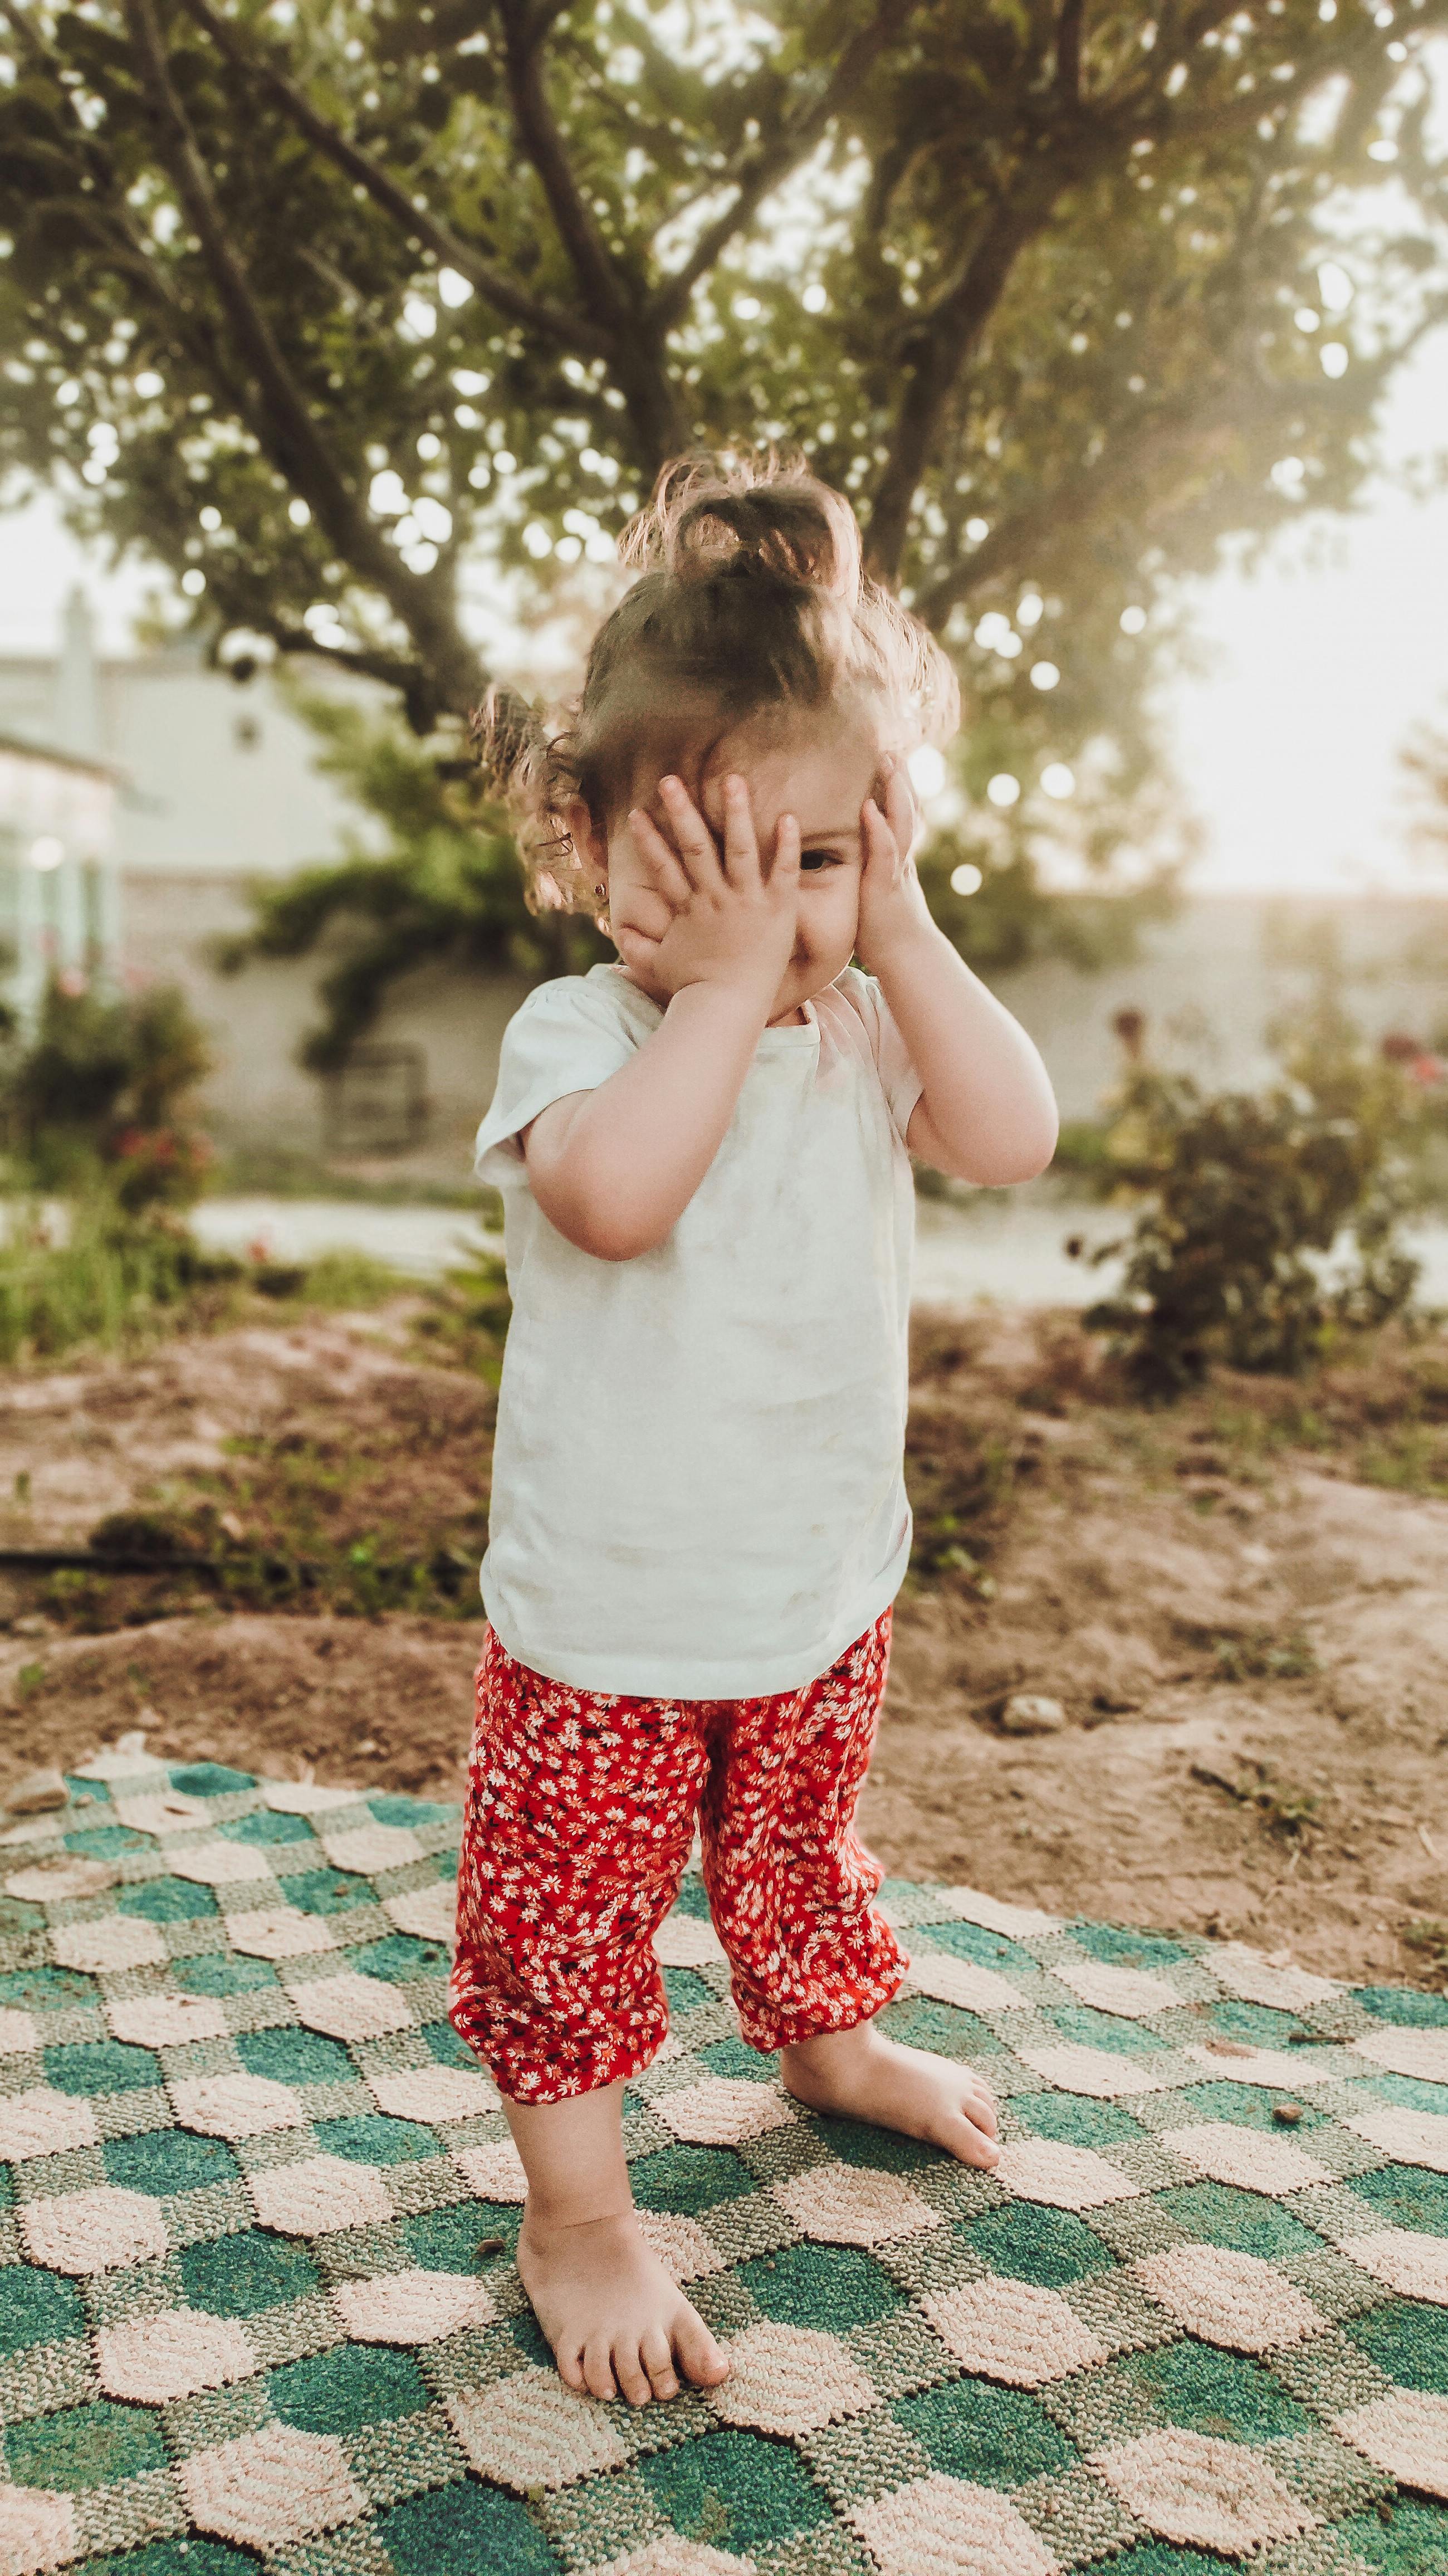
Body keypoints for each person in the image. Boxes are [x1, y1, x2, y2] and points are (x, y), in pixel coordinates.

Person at [449, 447, 1059, 2414]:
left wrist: (902, 929)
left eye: (815, 863)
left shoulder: (871, 1019)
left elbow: (1015, 1138)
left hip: (813, 1582)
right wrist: (724, 983)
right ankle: (581, 2216)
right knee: (575, 1920)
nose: (771, 921)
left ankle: (820, 2036)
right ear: (584, 833)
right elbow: (618, 1198)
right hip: (609, 1624)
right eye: (714, 861)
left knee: (798, 1841)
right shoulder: (586, 1038)